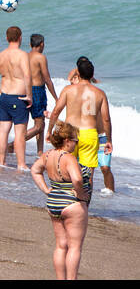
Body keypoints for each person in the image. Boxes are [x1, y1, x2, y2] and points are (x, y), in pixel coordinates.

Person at [29, 121, 91, 280]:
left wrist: (46, 190)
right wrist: (81, 194)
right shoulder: (68, 158)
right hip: (72, 204)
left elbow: (35, 170)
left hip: (54, 202)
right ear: (67, 140)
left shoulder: (48, 155)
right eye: (75, 141)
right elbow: (77, 179)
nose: (76, 144)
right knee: (75, 247)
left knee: (60, 246)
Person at [46, 58, 114, 198]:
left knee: (66, 167)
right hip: (89, 133)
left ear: (78, 73)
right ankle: (84, 202)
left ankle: (66, 198)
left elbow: (55, 112)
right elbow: (106, 119)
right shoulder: (99, 93)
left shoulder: (68, 90)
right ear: (92, 74)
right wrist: (109, 140)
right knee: (87, 173)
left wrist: (49, 131)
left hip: (70, 133)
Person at [0, 25, 32, 171]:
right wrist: (29, 95)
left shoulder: (1, 55)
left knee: (3, 130)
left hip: (5, 96)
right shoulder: (22, 55)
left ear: (6, 38)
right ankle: (21, 164)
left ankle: (2, 161)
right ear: (20, 38)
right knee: (20, 132)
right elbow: (27, 75)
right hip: (18, 97)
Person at [28, 33, 57, 156]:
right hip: (37, 91)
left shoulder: (25, 56)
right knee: (39, 126)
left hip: (25, 90)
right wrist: (56, 97)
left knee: (40, 123)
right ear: (42, 44)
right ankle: (13, 144)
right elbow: (47, 79)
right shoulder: (41, 57)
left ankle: (40, 152)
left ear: (30, 44)